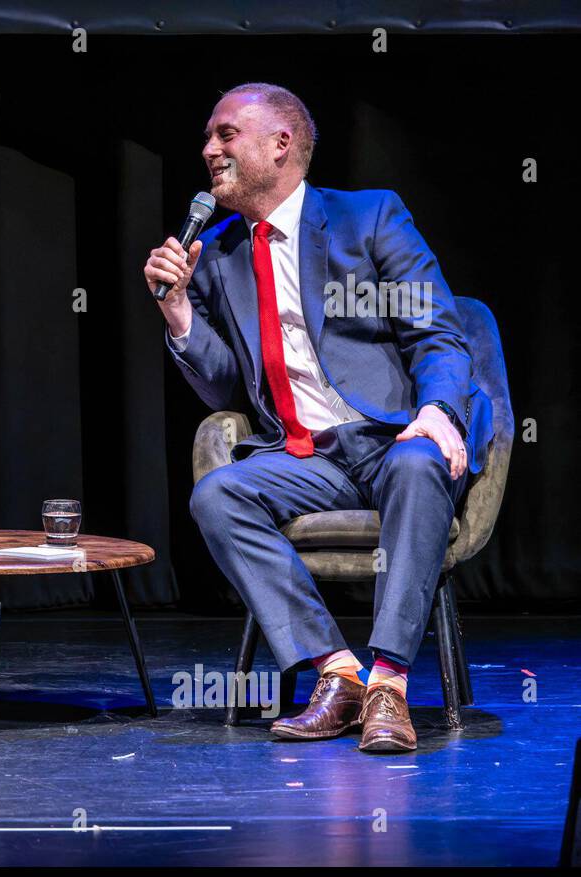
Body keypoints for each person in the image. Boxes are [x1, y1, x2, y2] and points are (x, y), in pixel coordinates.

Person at [144, 84, 492, 751]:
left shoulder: (369, 219)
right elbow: (224, 387)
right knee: (217, 494)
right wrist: (179, 309)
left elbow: (437, 333)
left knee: (419, 464)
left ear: (280, 144)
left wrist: (439, 411)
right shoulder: (218, 255)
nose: (208, 149)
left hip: (394, 439)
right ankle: (338, 673)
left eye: (225, 134)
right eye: (209, 137)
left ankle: (390, 682)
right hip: (306, 456)